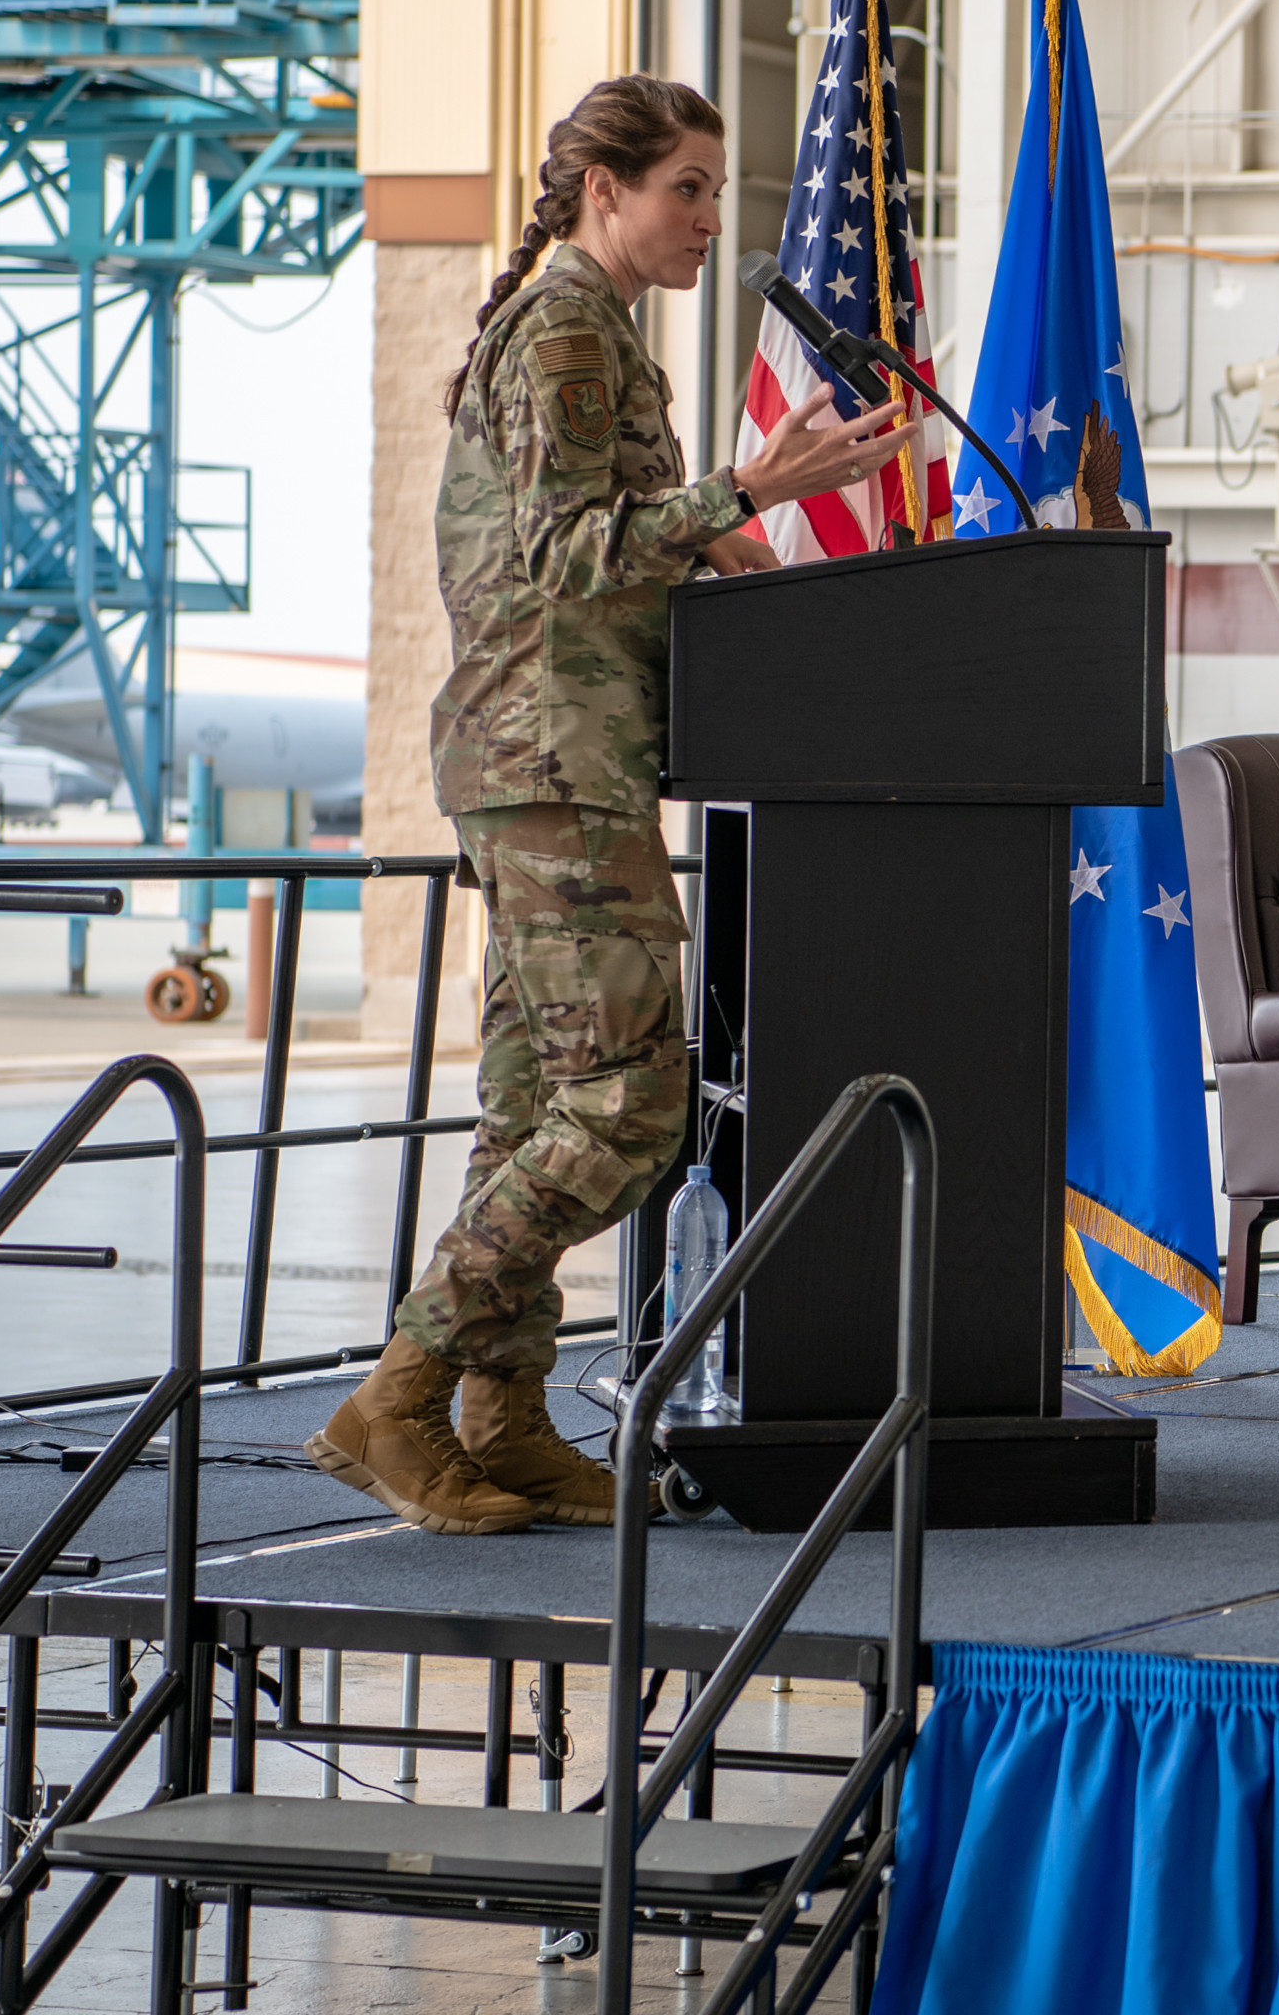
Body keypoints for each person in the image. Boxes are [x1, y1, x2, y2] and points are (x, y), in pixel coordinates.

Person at [311, 76, 903, 1535]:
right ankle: (397, 1395)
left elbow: (592, 549)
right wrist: (747, 491)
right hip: (556, 764)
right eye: (687, 187)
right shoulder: (572, 325)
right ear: (603, 192)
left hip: (553, 759)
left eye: (715, 187)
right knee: (636, 1102)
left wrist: (731, 552)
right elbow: (568, 554)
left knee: (532, 1109)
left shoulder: (598, 334)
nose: (711, 216)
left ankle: (502, 1422)